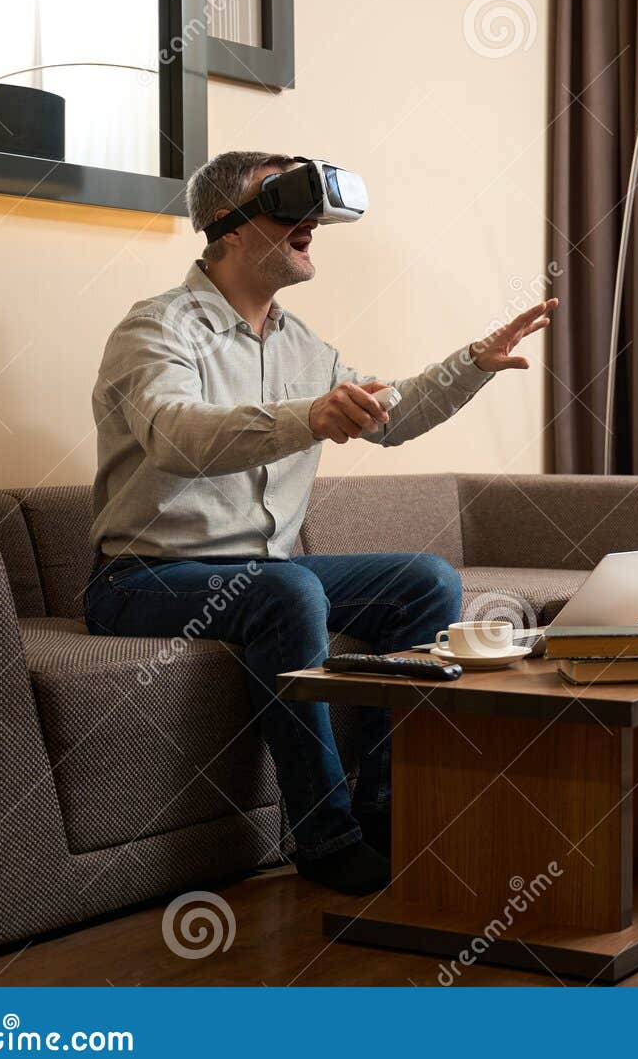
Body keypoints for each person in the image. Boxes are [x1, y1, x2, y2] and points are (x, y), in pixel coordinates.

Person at [83, 151, 557, 894]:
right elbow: (177, 435)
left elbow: (389, 415)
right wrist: (307, 417)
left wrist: (471, 362)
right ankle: (325, 837)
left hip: (261, 574)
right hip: (144, 577)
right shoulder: (157, 328)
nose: (309, 223)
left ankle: (387, 810)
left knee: (425, 581)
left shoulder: (303, 345)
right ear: (227, 226)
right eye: (285, 203)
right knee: (290, 590)